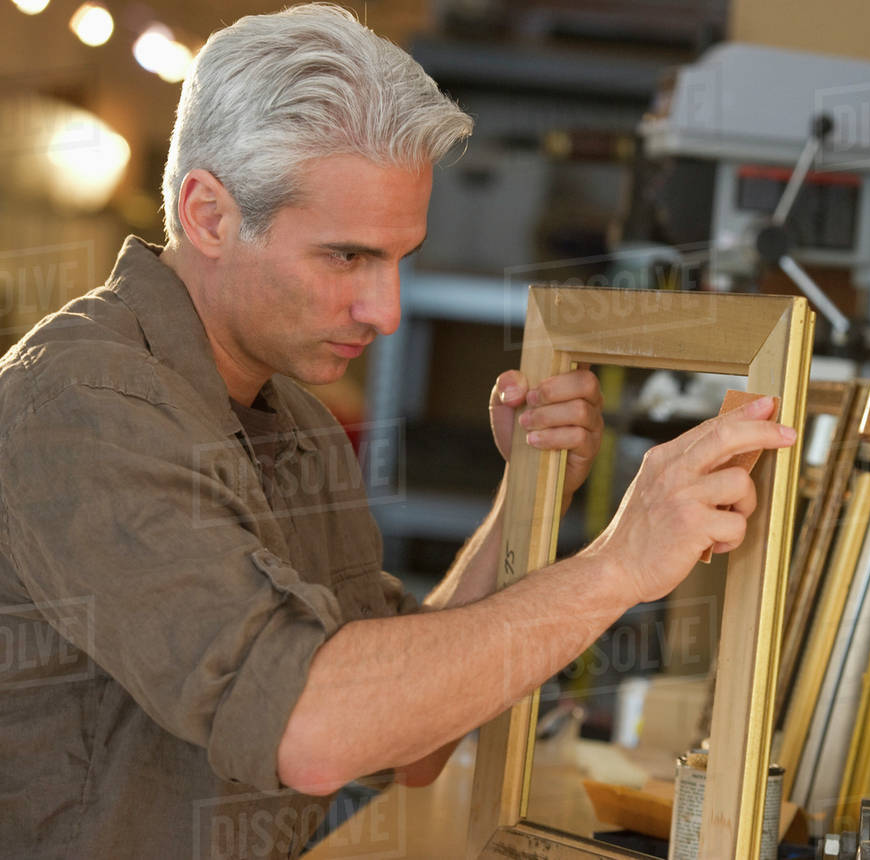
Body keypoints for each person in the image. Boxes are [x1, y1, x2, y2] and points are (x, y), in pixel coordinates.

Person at [0, 5, 796, 857]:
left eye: (398, 258)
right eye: (346, 257)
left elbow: (406, 740)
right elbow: (314, 730)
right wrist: (619, 564)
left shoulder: (292, 416)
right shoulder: (78, 406)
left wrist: (522, 498)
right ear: (208, 215)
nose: (385, 311)